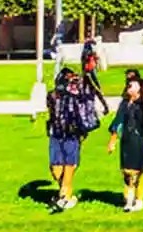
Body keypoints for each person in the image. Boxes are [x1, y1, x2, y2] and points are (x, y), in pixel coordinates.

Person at [46, 68, 99, 211]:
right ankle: (67, 195)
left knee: (69, 165)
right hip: (56, 134)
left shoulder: (78, 94)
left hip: (72, 134)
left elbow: (88, 101)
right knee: (55, 169)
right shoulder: (52, 96)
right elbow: (51, 113)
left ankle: (63, 196)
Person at [108, 76, 143, 213]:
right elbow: (117, 121)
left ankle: (137, 200)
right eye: (128, 85)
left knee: (138, 170)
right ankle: (129, 200)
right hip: (127, 140)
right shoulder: (124, 103)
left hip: (140, 139)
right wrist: (113, 140)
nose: (129, 86)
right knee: (126, 171)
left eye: (132, 85)